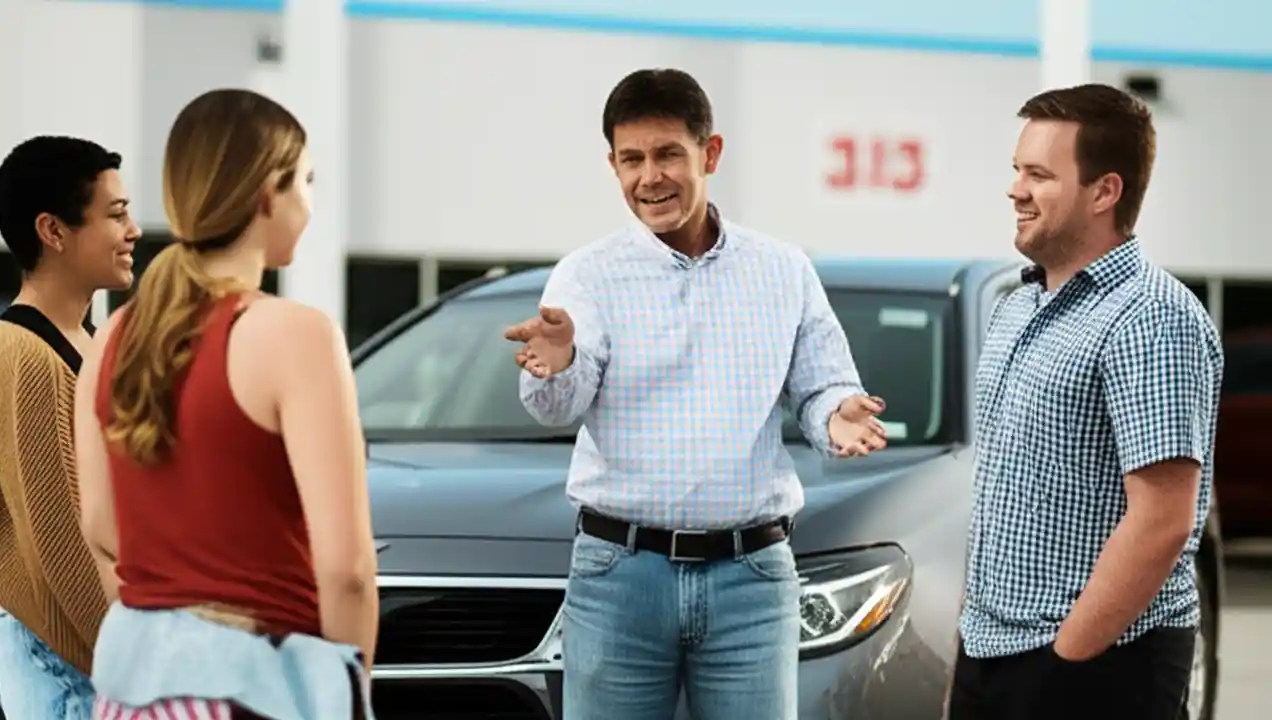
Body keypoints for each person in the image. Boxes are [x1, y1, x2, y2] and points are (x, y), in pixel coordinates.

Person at [505, 68, 887, 720]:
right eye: (631, 160)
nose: (649, 177)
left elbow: (822, 387)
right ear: (613, 165)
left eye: (667, 155)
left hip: (752, 581)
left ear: (709, 153)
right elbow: (557, 407)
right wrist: (559, 364)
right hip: (619, 578)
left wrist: (834, 415)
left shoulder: (781, 270)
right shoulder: (586, 277)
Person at [71, 88, 378, 719]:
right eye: (307, 181)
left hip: (131, 693)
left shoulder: (111, 340)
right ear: (269, 191)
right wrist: (345, 692)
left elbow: (101, 529)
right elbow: (346, 570)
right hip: (257, 687)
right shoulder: (297, 335)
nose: (311, 202)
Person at [949, 83, 1223, 719]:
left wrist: (1065, 658)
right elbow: (1003, 492)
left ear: (1104, 192)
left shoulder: (1152, 317)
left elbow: (1163, 519)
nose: (1015, 189)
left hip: (1096, 665)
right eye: (1017, 170)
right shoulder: (1019, 306)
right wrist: (973, 651)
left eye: (1039, 174)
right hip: (993, 652)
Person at [0, 135, 140, 719]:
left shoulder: (92, 340)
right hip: (61, 650)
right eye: (116, 215)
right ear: (53, 231)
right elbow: (57, 546)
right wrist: (138, 662)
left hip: (93, 647)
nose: (133, 232)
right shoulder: (20, 356)